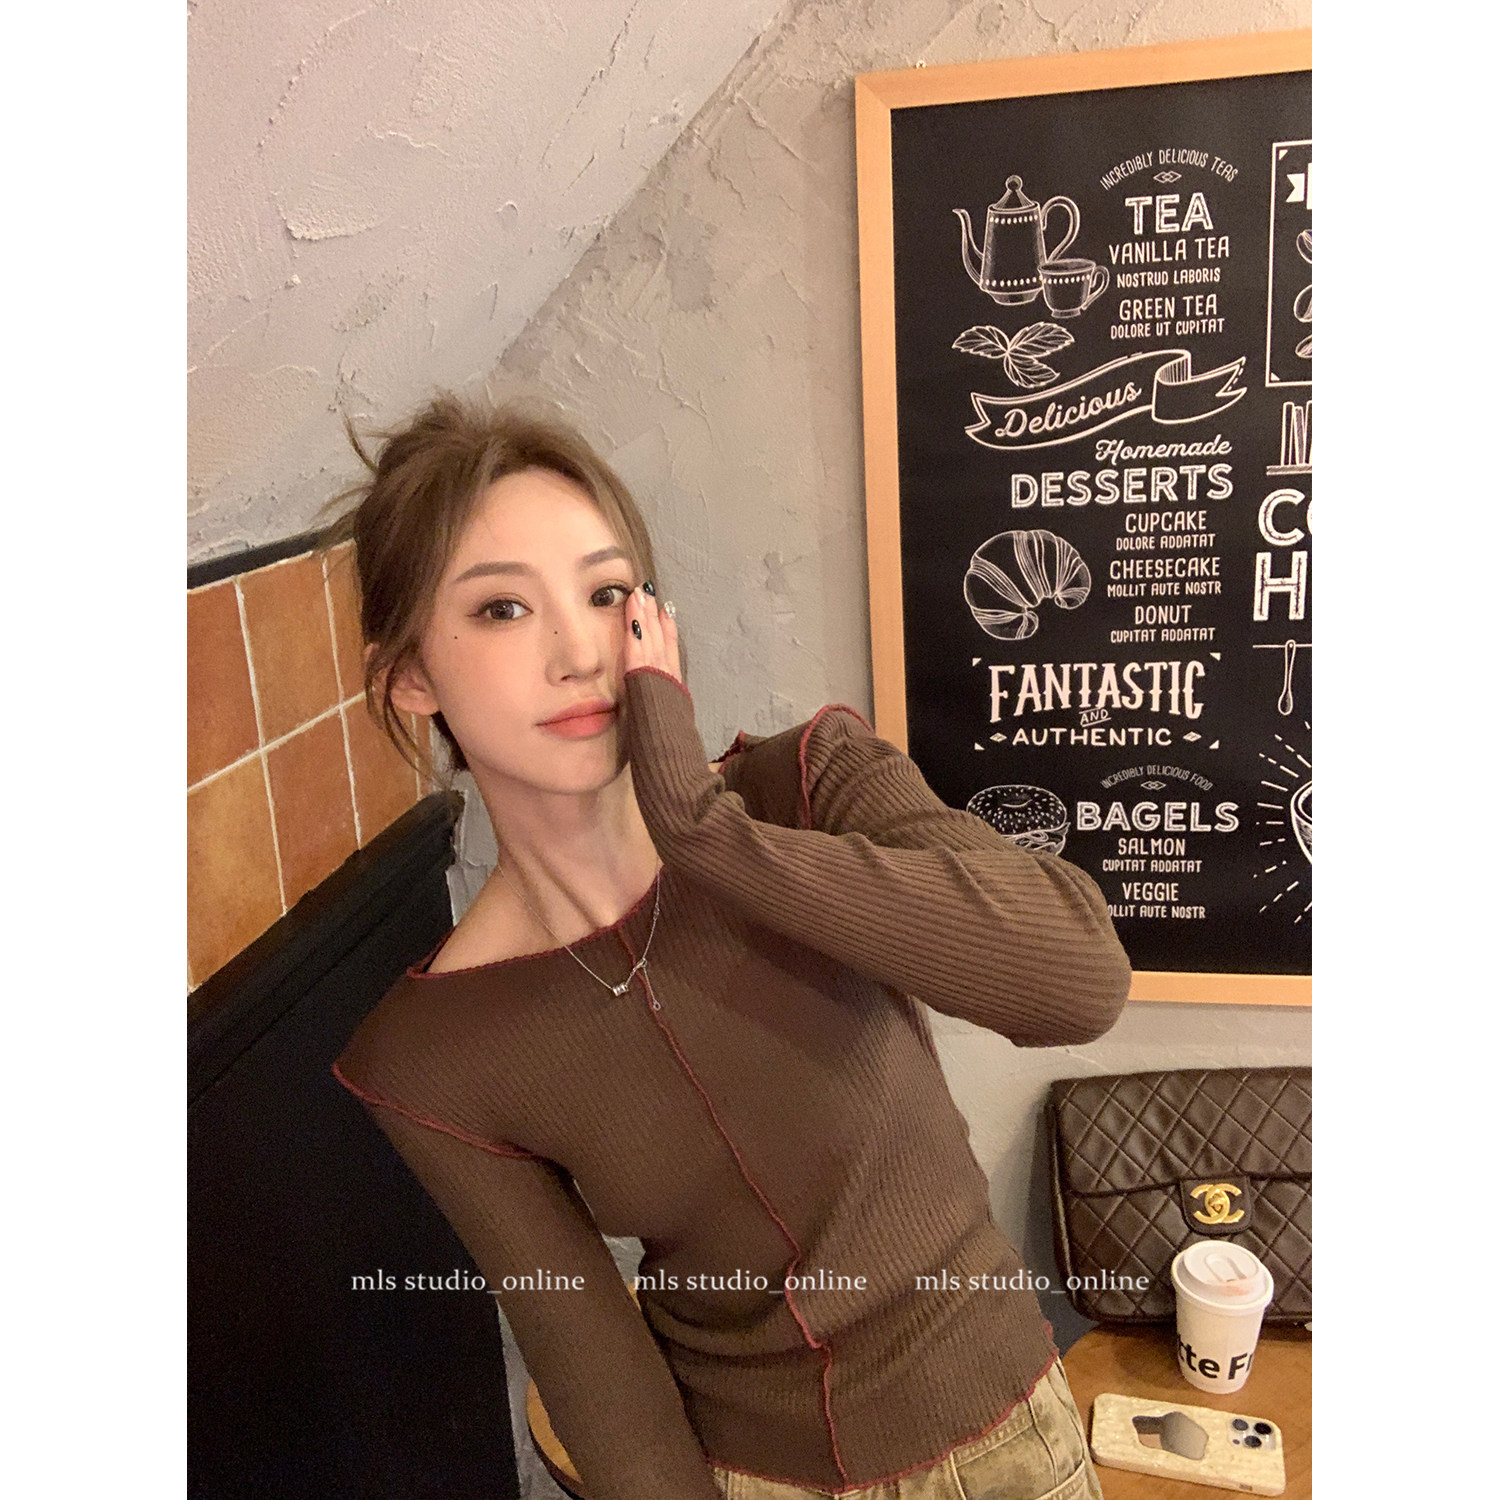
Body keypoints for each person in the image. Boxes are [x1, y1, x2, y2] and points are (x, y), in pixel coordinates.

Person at [328, 393, 1131, 1500]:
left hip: (1012, 1454)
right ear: (410, 677)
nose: (578, 652)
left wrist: (706, 835)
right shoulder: (430, 1057)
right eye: (503, 609)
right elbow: (602, 1383)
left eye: (605, 594)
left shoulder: (811, 784)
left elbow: (1077, 982)